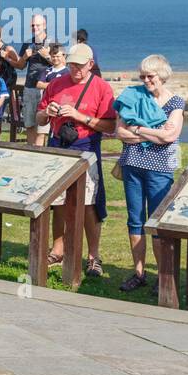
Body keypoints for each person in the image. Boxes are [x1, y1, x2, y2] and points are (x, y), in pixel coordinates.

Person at [38, 42, 116, 279]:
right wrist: (47, 112)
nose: (75, 70)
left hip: (87, 148)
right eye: (72, 64)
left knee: (89, 203)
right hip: (59, 147)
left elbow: (110, 126)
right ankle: (58, 249)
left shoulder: (102, 88)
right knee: (58, 201)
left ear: (91, 64)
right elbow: (39, 118)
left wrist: (79, 116)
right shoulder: (55, 84)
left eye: (80, 66)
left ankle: (93, 256)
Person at [114, 55, 184, 292]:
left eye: (150, 76)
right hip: (132, 166)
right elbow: (120, 132)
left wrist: (138, 129)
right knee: (135, 220)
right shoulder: (133, 95)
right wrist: (153, 132)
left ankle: (162, 276)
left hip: (160, 170)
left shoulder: (175, 102)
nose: (145, 80)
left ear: (161, 75)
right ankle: (139, 273)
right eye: (142, 76)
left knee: (156, 223)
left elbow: (169, 137)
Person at [16, 13, 55, 145]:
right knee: (29, 124)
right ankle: (30, 153)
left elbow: (62, 66)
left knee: (42, 128)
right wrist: (24, 57)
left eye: (38, 25)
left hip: (46, 89)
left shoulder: (53, 43)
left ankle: (39, 155)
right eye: (33, 25)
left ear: (44, 25)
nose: (35, 27)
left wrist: (48, 57)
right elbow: (20, 66)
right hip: (30, 88)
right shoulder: (28, 43)